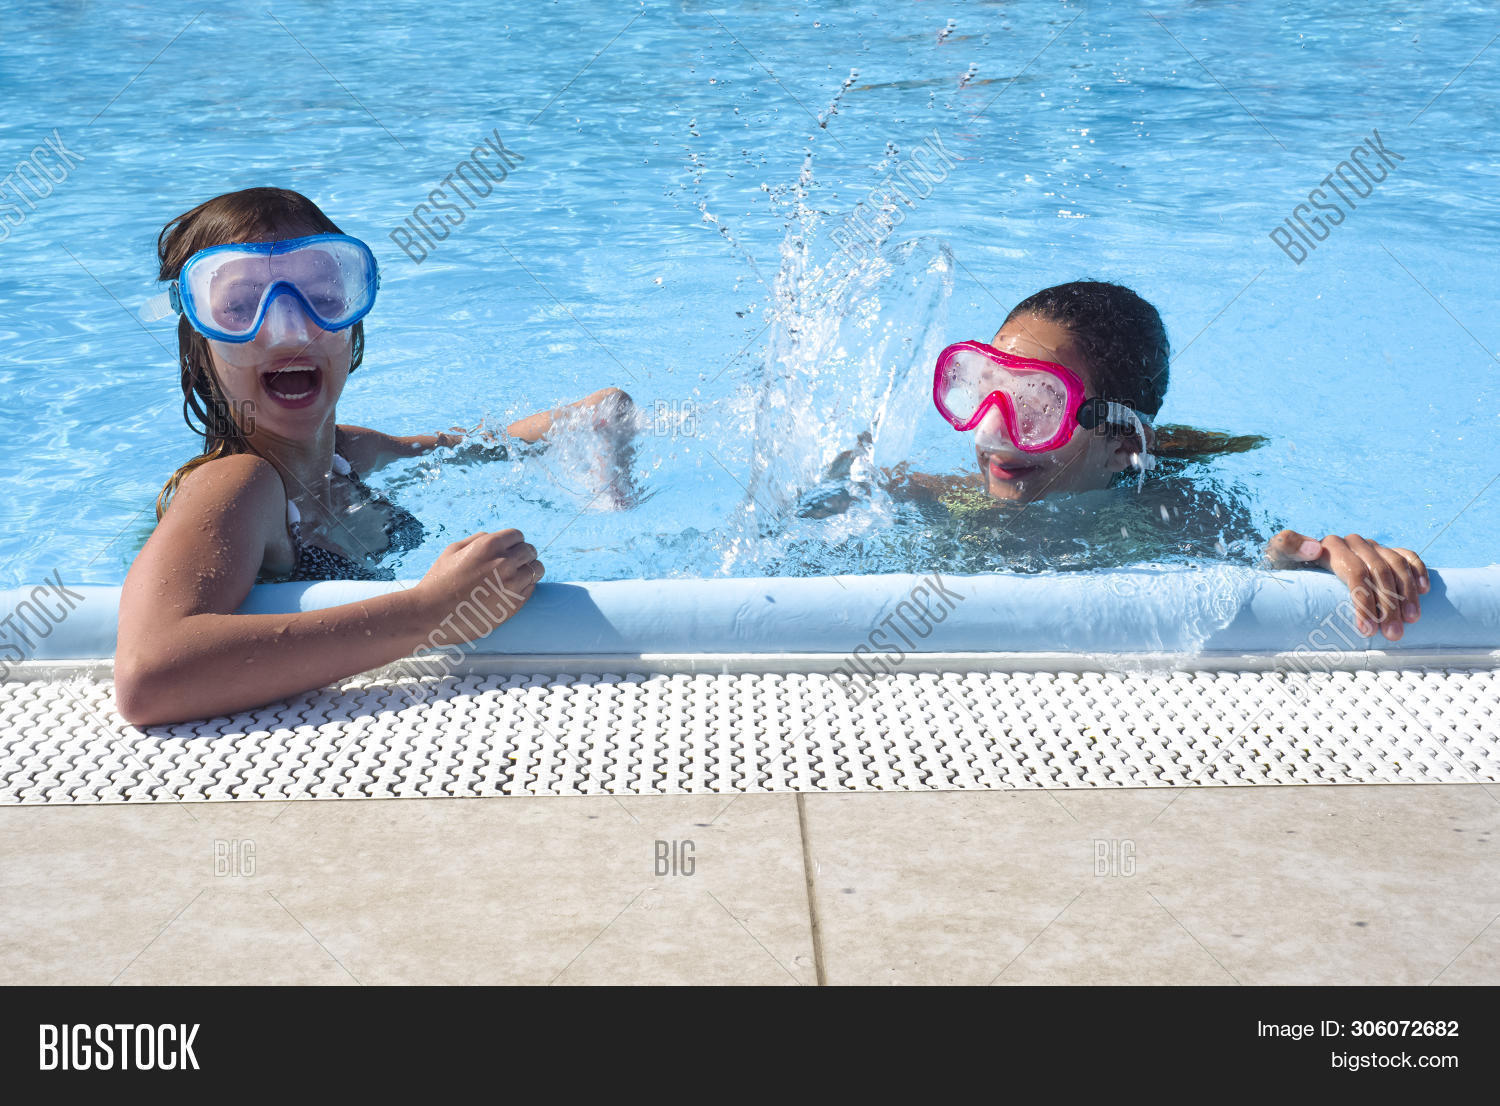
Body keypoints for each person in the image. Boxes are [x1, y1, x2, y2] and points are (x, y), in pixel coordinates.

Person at [115, 187, 632, 725]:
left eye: (321, 293)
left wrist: (587, 418)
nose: (288, 327)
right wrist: (429, 613)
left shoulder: (347, 452)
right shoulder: (239, 483)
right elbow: (148, 676)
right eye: (242, 307)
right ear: (200, 346)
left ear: (352, 324)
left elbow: (471, 449)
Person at [801, 281, 1429, 640]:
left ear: (1125, 440)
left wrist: (1326, 562)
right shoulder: (940, 497)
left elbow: (1263, 562)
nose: (992, 431)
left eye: (1038, 403)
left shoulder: (1172, 513)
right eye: (982, 385)